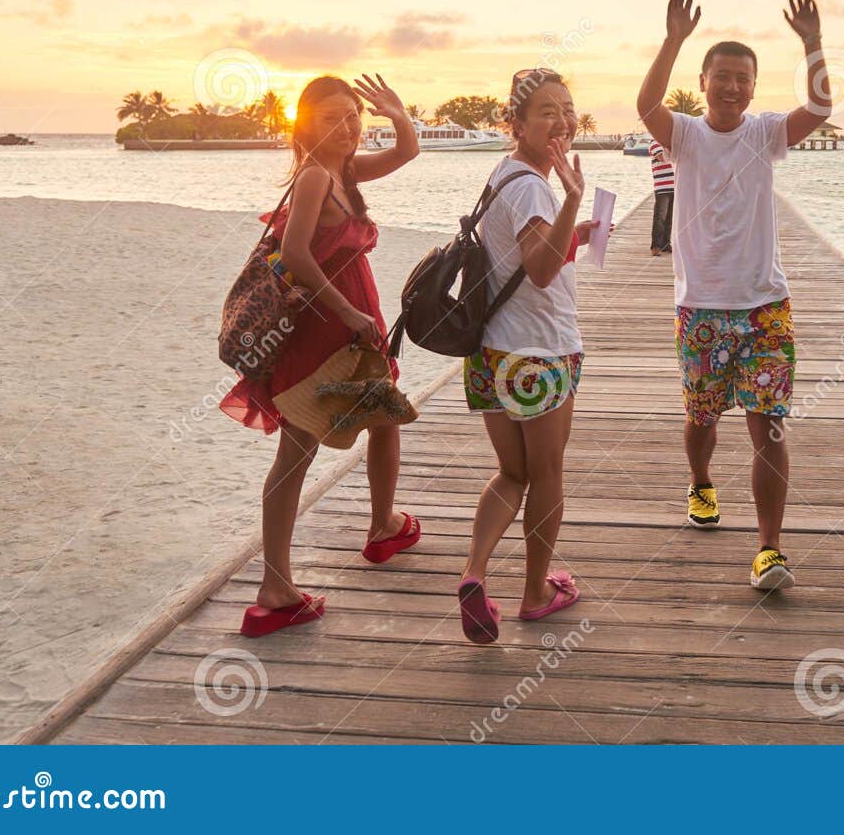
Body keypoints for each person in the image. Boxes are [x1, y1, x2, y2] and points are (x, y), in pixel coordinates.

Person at [636, 0, 832, 590]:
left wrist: (814, 43)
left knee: (768, 425)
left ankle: (769, 549)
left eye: (742, 78)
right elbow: (646, 106)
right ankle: (699, 481)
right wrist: (672, 39)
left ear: (753, 85)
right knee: (703, 420)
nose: (731, 86)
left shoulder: (766, 134)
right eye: (721, 76)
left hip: (765, 309)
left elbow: (821, 110)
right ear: (703, 82)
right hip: (700, 309)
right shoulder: (687, 135)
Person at [220, 74, 423, 637]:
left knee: (386, 416)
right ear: (304, 123)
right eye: (332, 117)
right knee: (296, 452)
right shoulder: (314, 176)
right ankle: (274, 585)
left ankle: (383, 523)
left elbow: (407, 150)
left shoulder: (346, 170)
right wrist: (351, 315)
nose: (347, 127)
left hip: (353, 323)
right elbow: (295, 257)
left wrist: (396, 111)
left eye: (354, 116)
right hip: (325, 330)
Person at [457, 68, 598, 642]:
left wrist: (580, 228)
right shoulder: (538, 186)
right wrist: (572, 197)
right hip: (537, 357)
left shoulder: (504, 174)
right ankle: (536, 591)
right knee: (545, 475)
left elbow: (525, 255)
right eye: (545, 111)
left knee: (511, 472)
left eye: (567, 109)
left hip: (492, 353)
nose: (562, 120)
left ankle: (474, 573)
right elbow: (541, 271)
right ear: (515, 124)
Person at [648, 135, 674, 255]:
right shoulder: (654, 143)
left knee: (670, 218)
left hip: (674, 186)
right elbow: (662, 157)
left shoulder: (670, 145)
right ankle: (656, 246)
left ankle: (665, 244)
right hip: (662, 187)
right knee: (660, 217)